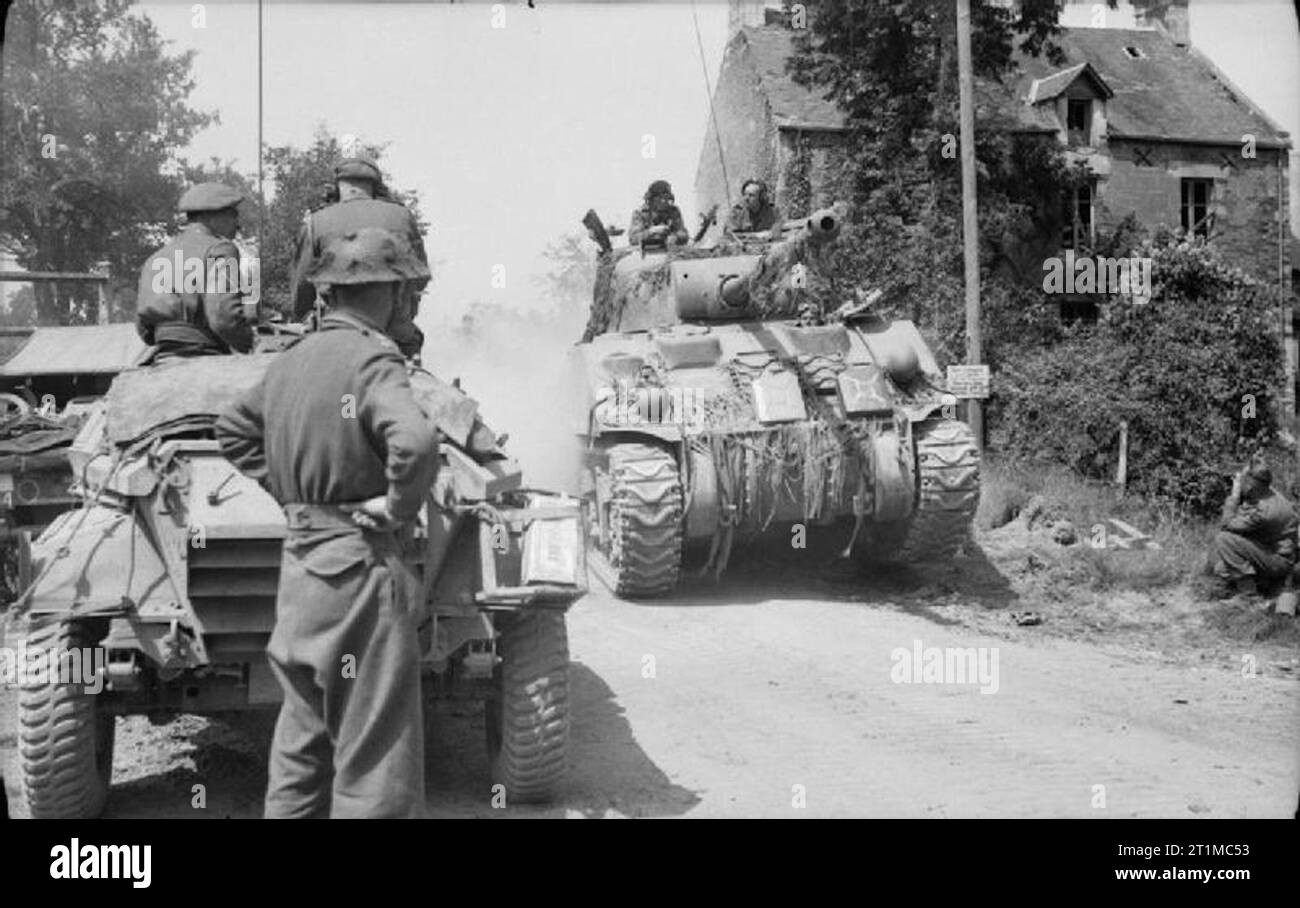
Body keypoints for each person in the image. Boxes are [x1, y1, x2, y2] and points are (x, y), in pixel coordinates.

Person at [215, 227, 438, 819]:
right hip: (357, 569)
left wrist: (291, 495)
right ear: (392, 293)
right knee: (375, 755)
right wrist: (395, 507)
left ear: (328, 292)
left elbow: (232, 428)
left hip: (301, 572)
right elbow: (414, 442)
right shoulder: (371, 359)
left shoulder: (291, 361)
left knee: (300, 746)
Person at [291, 156, 429, 360]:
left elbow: (302, 288)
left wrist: (301, 317)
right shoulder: (403, 216)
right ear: (376, 187)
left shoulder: (316, 222)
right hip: (395, 332)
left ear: (337, 188)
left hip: (337, 329)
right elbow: (420, 277)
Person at [135, 182, 254, 361]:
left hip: (163, 354)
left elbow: (143, 328)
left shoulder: (154, 258)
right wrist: (253, 343)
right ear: (211, 216)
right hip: (204, 353)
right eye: (233, 215)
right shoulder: (221, 249)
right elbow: (223, 318)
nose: (238, 225)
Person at [1206, 457, 1298, 597]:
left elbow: (1226, 525)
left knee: (1224, 540)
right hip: (1275, 554)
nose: (1239, 481)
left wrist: (1235, 496)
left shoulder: (1264, 512)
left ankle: (1248, 593)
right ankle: (1263, 583)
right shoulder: (1269, 494)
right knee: (1220, 568)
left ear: (1251, 484)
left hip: (1277, 562)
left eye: (1243, 479)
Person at [627, 179, 688, 247]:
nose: (664, 201)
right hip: (647, 253)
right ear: (652, 199)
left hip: (670, 251)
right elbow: (633, 238)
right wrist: (651, 231)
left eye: (667, 198)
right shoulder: (641, 213)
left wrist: (675, 237)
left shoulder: (673, 211)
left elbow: (683, 234)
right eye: (661, 198)